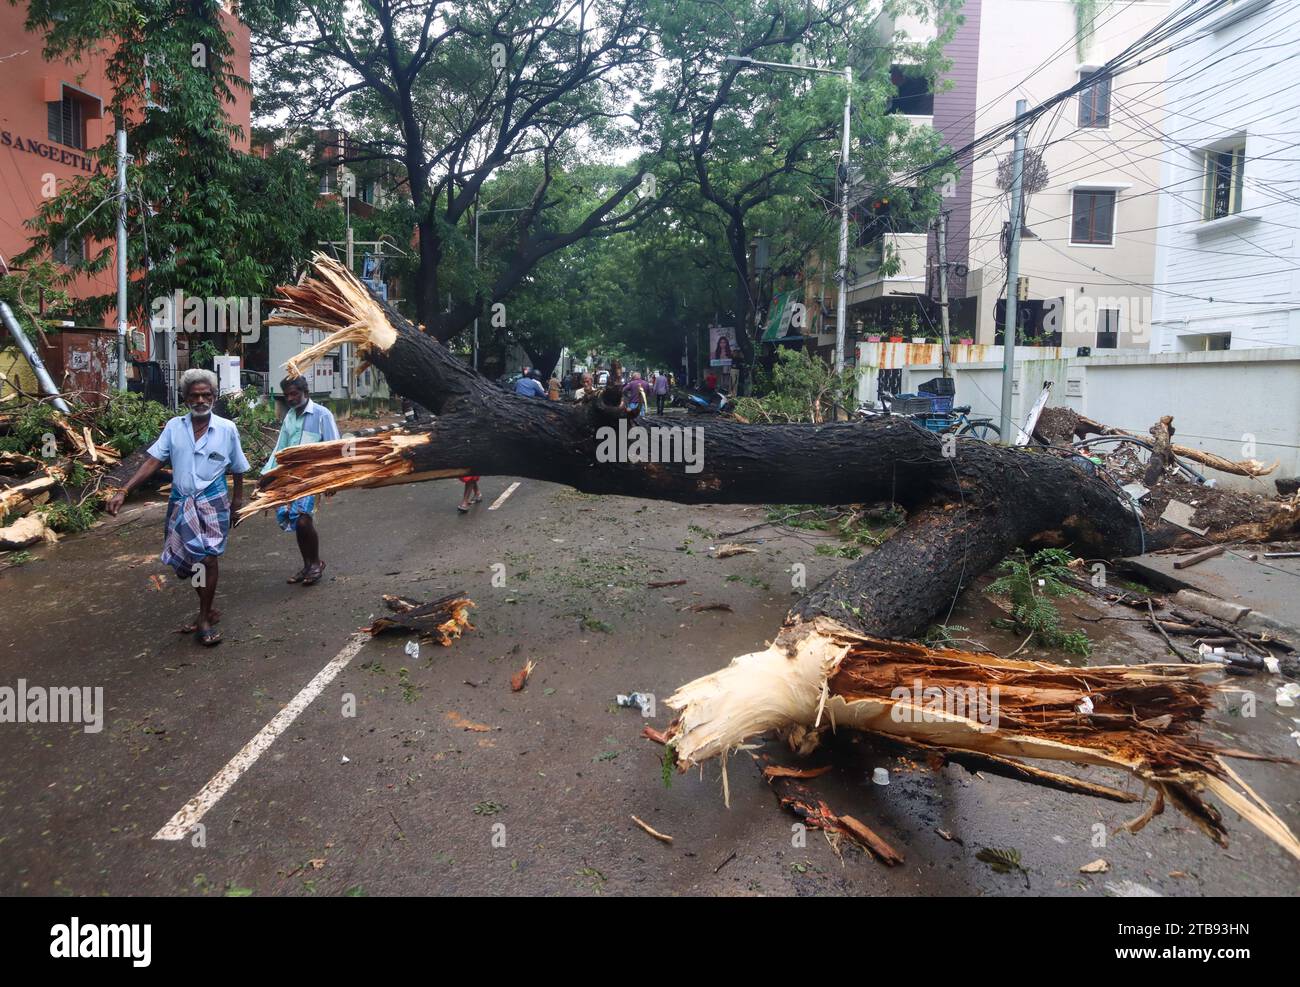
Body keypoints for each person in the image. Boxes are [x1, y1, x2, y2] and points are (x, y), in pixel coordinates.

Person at [105, 369, 249, 646]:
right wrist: (124, 489)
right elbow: (152, 461)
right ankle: (206, 607)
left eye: (206, 395)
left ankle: (204, 618)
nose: (201, 400)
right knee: (189, 563)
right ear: (184, 398)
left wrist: (238, 501)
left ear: (214, 397)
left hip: (213, 501)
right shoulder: (174, 427)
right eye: (194, 395)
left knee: (207, 558)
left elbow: (238, 467)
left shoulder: (227, 429)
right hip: (181, 502)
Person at [263, 375, 340, 586]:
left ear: (305, 392)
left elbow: (334, 447)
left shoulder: (322, 415)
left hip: (313, 475)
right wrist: (268, 476)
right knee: (296, 521)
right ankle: (307, 565)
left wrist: (332, 480)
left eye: (294, 393)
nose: (290, 398)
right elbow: (280, 448)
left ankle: (316, 563)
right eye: (287, 394)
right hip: (290, 476)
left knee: (304, 519)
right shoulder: (289, 417)